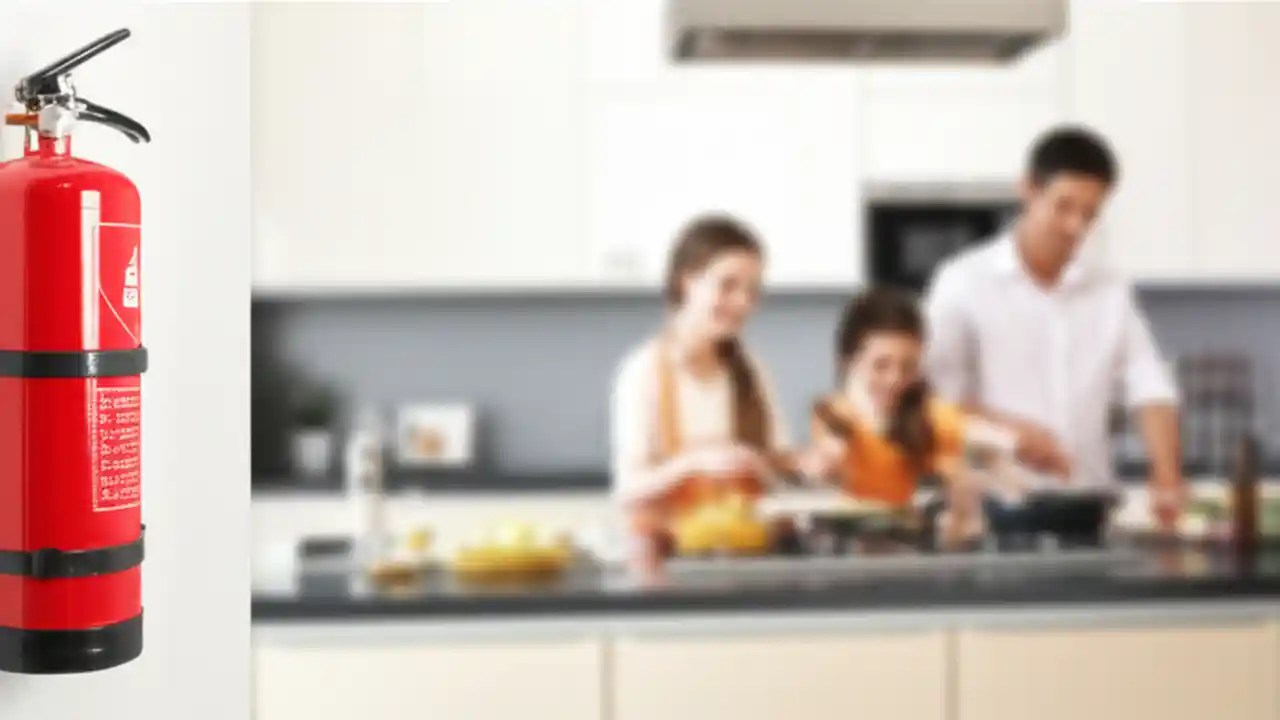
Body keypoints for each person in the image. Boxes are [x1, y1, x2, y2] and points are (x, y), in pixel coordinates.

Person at [923, 125, 1184, 530]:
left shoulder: (1109, 288)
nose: (1076, 226)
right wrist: (1012, 435)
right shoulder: (962, 283)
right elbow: (938, 405)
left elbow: (1149, 384)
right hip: (995, 513)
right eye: (1064, 206)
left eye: (1090, 213)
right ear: (1028, 189)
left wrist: (1166, 473)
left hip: (1090, 509)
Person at [802, 288, 1016, 545]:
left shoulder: (930, 416)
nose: (895, 380)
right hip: (858, 551)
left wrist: (993, 468)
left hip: (918, 551)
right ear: (849, 363)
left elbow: (988, 442)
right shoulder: (834, 414)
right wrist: (824, 463)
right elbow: (833, 446)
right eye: (881, 365)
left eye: (908, 366)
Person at [610, 214, 791, 517]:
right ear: (687, 281)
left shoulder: (752, 371)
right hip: (672, 551)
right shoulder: (644, 372)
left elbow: (776, 466)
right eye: (728, 285)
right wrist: (695, 463)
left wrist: (791, 465)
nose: (743, 303)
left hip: (745, 543)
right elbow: (629, 489)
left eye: (752, 290)